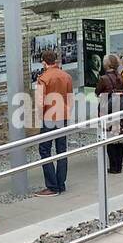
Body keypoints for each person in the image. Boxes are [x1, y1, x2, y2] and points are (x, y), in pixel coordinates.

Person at [33, 48, 73, 197]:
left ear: (44, 62)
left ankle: (52, 186)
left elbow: (39, 102)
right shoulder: (66, 76)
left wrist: (39, 115)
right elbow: (70, 99)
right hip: (63, 116)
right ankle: (61, 184)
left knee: (45, 150)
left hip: (49, 117)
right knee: (62, 150)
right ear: (55, 61)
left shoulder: (43, 79)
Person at [95, 54, 123, 175]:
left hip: (107, 110)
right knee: (118, 139)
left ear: (107, 64)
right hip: (119, 109)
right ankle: (118, 166)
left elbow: (97, 92)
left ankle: (113, 166)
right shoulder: (120, 76)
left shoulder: (103, 79)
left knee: (109, 139)